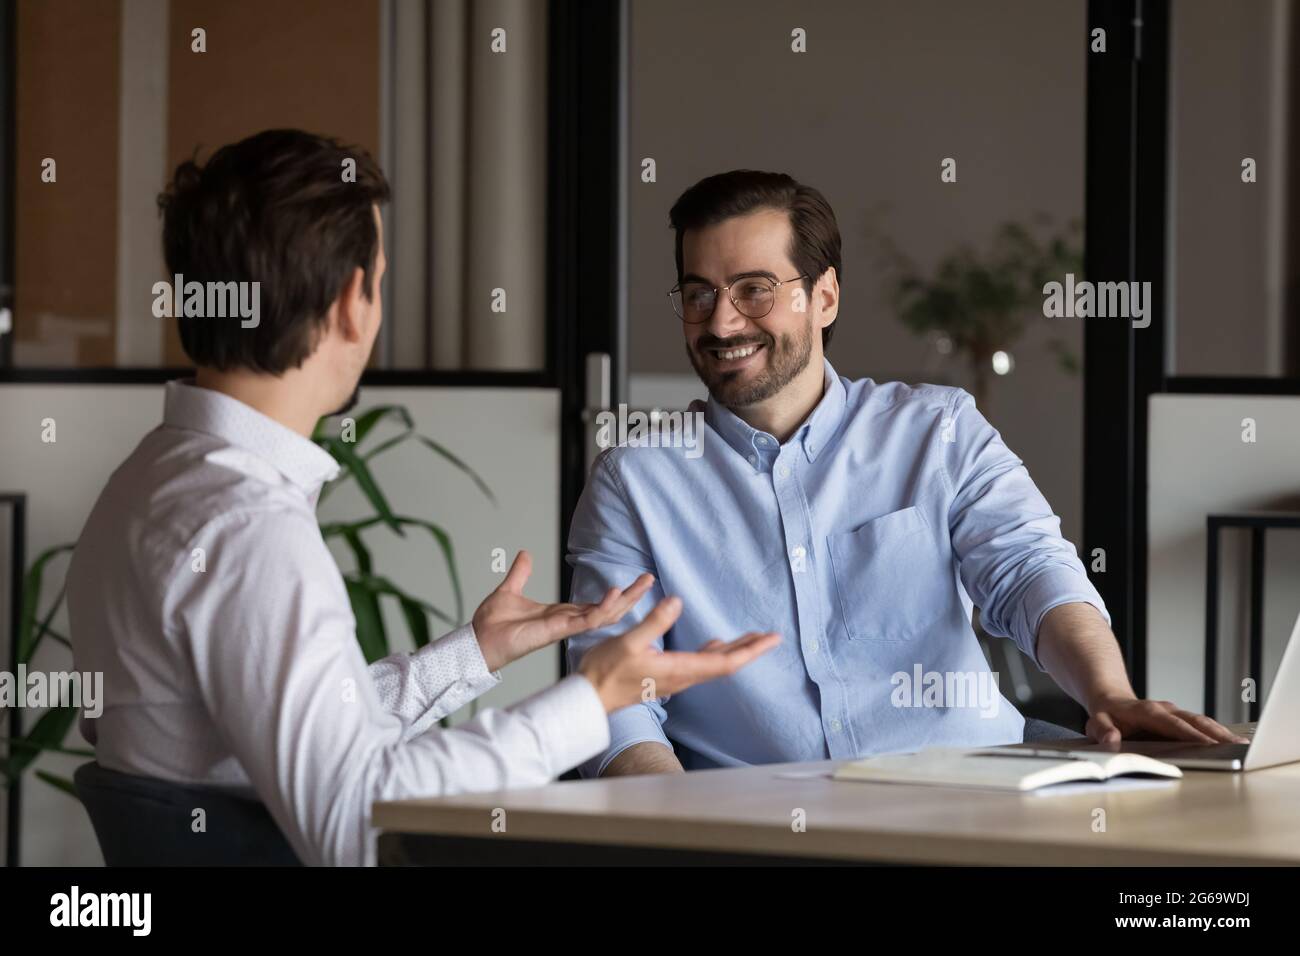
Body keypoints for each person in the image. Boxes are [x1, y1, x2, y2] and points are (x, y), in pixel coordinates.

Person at [66, 131, 778, 865]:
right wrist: (589, 699)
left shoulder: (153, 479)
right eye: (379, 277)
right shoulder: (248, 527)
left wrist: (471, 654)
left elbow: (292, 734)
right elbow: (351, 820)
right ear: (353, 301)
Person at [565, 169, 1246, 778]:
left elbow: (1030, 570)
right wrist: (682, 832)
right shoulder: (634, 483)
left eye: (754, 289)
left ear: (825, 297)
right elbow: (613, 696)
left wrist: (1110, 695)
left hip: (972, 799)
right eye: (698, 293)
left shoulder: (937, 430)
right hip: (758, 828)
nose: (720, 320)